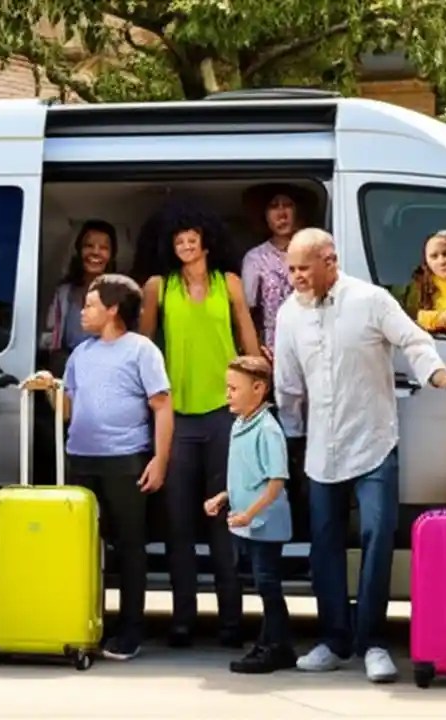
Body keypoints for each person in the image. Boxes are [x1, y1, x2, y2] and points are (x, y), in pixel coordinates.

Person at [273, 227, 446, 683]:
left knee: (379, 538)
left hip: (374, 441)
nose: (295, 276)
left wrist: (438, 376)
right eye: (291, 269)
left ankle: (374, 642)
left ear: (330, 261)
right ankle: (334, 641)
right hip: (321, 449)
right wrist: (291, 438)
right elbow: (287, 383)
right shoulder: (287, 315)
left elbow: (415, 341)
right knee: (324, 547)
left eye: (304, 267)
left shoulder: (371, 300)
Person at [24, 273, 173, 661]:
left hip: (126, 460)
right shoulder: (81, 354)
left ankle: (131, 630)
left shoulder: (141, 350)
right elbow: (69, 413)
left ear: (112, 310)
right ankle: (89, 621)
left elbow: (162, 406)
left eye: (89, 305)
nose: (83, 312)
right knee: (86, 547)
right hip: (82, 460)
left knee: (130, 547)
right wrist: (53, 389)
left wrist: (159, 460)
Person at [139, 197, 261, 648]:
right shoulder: (158, 287)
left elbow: (247, 339)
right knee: (178, 524)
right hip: (177, 417)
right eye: (178, 238)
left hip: (225, 415)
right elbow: (145, 346)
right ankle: (183, 620)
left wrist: (256, 392)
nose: (186, 242)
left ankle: (231, 621)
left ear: (206, 240)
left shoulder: (227, 282)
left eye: (193, 236)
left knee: (224, 519)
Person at [203, 355, 294, 674]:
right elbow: (247, 477)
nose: (228, 394)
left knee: (268, 585)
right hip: (248, 523)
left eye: (234, 388)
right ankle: (271, 643)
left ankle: (275, 647)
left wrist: (248, 514)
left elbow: (275, 482)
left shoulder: (267, 430)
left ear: (258, 388)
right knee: (261, 583)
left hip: (264, 525)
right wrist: (224, 497)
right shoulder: (241, 425)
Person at [238, 183, 315, 357]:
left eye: (288, 205)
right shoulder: (255, 258)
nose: (282, 214)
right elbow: (246, 313)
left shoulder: (312, 250)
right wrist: (256, 352)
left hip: (312, 342)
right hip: (273, 348)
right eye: (274, 207)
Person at [41, 220, 119, 368]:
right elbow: (53, 341)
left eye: (103, 248)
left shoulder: (119, 295)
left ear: (111, 255)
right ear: (79, 250)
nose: (95, 252)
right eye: (89, 246)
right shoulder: (64, 293)